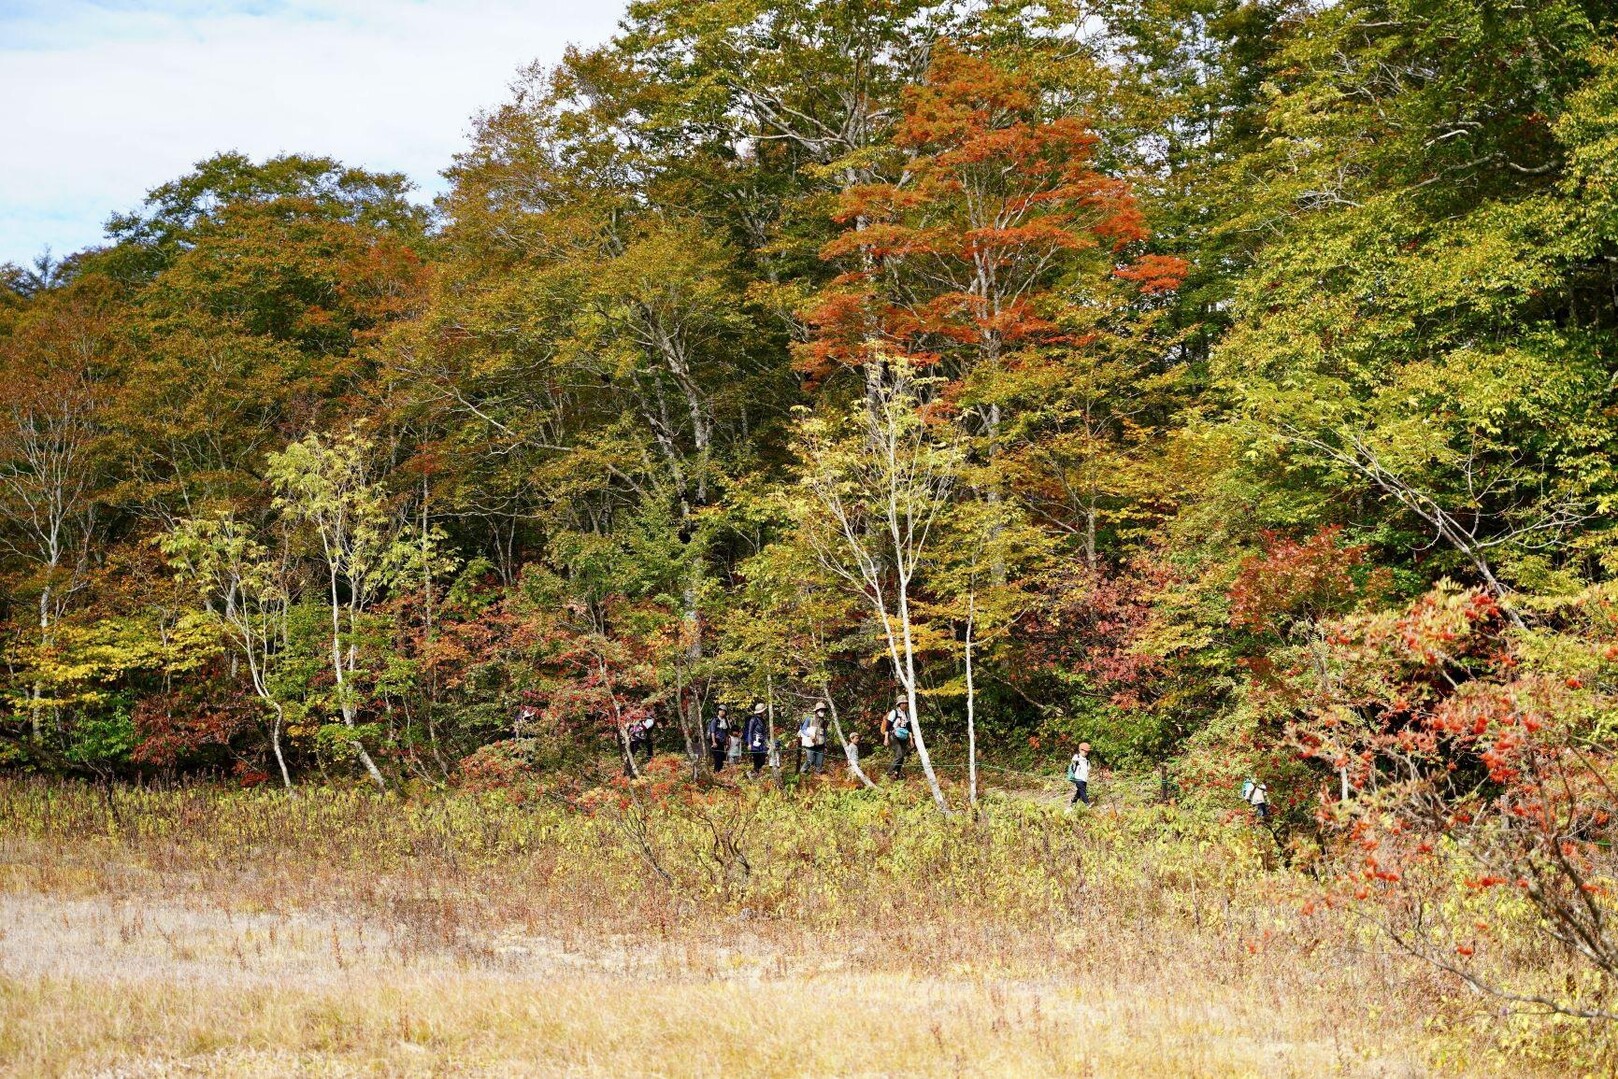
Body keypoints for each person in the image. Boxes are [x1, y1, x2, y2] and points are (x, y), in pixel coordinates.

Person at [883, 697, 912, 779]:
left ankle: (897, 773)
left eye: (906, 703)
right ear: (899, 704)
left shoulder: (907, 714)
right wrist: (886, 739)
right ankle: (890, 772)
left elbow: (909, 728)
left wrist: (911, 740)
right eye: (903, 703)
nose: (905, 705)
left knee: (902, 755)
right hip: (893, 735)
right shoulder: (894, 712)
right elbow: (887, 727)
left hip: (903, 736)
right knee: (899, 754)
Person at [799, 702, 829, 774]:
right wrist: (810, 735)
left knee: (820, 761)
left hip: (820, 745)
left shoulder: (824, 722)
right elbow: (803, 729)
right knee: (810, 760)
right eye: (821, 710)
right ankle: (803, 771)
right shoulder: (809, 719)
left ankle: (817, 772)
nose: (823, 712)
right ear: (817, 711)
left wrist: (825, 745)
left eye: (824, 711)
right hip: (810, 744)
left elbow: (824, 734)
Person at [744, 701, 769, 776]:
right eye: (764, 711)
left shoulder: (763, 721)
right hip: (755, 742)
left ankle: (754, 773)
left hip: (762, 743)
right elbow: (750, 732)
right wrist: (749, 743)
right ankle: (753, 773)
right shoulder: (753, 720)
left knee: (762, 760)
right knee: (756, 759)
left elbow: (764, 733)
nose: (765, 712)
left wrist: (767, 743)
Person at [707, 703, 731, 773]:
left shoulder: (725, 721)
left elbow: (726, 733)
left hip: (722, 742)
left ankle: (719, 773)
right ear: (718, 711)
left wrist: (727, 743)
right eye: (721, 711)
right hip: (716, 741)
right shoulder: (715, 720)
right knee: (717, 758)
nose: (722, 712)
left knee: (722, 757)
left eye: (724, 711)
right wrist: (714, 742)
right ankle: (716, 772)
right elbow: (712, 732)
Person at [1067, 742, 1091, 808]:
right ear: (1080, 750)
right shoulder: (1077, 756)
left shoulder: (1087, 760)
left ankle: (1073, 803)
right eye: (1085, 751)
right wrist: (1081, 759)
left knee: (1079, 792)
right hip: (1078, 778)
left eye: (1087, 752)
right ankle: (1087, 803)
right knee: (1083, 791)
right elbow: (1073, 760)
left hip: (1084, 779)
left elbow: (1088, 769)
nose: (1086, 753)